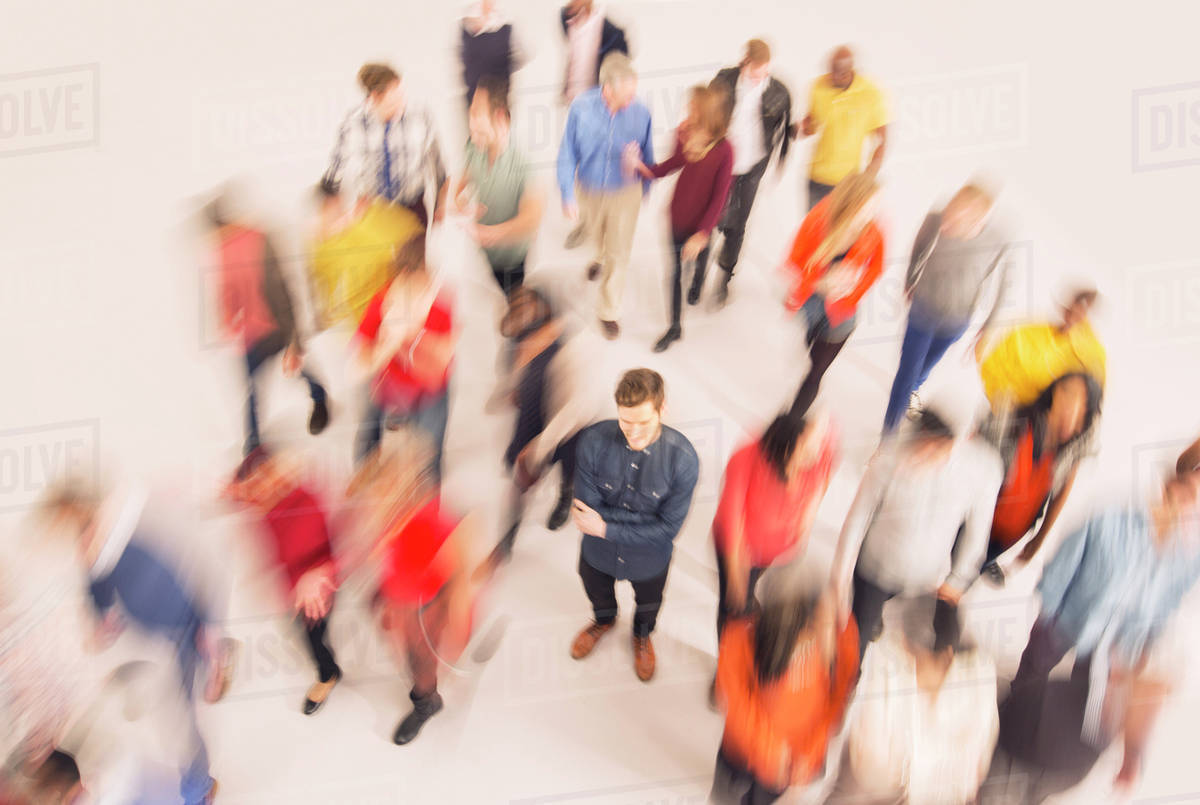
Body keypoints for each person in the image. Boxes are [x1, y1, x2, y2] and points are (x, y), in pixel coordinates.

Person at [39, 481, 233, 805]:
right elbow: (102, 609)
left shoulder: (125, 528)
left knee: (183, 716)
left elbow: (187, 566)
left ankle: (199, 786)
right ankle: (199, 781)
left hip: (186, 620)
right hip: (169, 632)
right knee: (180, 714)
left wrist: (208, 621)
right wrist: (100, 629)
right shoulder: (93, 559)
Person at [1004, 471, 1200, 787]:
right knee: (1028, 684)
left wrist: (1139, 650)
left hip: (1114, 648)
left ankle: (1039, 770)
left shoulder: (1188, 559)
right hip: (1066, 622)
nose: (1191, 505)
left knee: (1080, 711)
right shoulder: (1111, 518)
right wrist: (1048, 617)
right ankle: (1003, 737)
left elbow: (1167, 606)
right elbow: (1063, 566)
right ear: (1169, 488)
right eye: (1189, 493)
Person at [830, 397, 1004, 659]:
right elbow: (858, 518)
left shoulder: (980, 471)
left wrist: (957, 580)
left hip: (926, 577)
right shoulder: (890, 458)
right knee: (856, 642)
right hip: (876, 569)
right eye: (924, 440)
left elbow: (977, 531)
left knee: (917, 648)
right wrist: (838, 578)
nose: (927, 451)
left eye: (938, 446)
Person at [344, 434, 478, 746]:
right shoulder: (388, 519)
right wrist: (381, 594)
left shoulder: (432, 523)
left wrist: (456, 637)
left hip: (425, 612)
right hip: (401, 600)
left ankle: (426, 702)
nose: (375, 502)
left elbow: (459, 582)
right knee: (404, 653)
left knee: (419, 665)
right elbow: (391, 557)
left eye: (384, 490)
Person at [569, 369, 699, 681]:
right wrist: (645, 523)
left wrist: (605, 527)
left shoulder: (683, 460)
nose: (634, 433)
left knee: (649, 605)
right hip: (598, 554)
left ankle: (641, 636)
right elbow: (586, 507)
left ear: (662, 409)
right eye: (626, 422)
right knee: (597, 592)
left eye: (644, 422)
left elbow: (668, 530)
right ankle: (604, 621)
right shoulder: (593, 441)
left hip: (648, 560)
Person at [836, 595, 998, 805]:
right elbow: (868, 764)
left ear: (948, 655)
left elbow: (975, 764)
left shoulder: (977, 680)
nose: (915, 662)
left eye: (921, 658)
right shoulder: (885, 669)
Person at [882, 182, 1014, 432]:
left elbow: (1004, 286)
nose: (948, 222)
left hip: (956, 322)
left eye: (958, 217)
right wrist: (910, 278)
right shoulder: (935, 219)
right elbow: (918, 248)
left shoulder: (998, 240)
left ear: (978, 218)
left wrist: (988, 329)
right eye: (951, 211)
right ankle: (887, 437)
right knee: (906, 373)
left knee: (923, 370)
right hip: (922, 311)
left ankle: (913, 389)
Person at [205, 195, 331, 456]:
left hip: (274, 326)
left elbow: (277, 287)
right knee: (255, 388)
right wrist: (228, 320)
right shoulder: (227, 249)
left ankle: (317, 400)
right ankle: (254, 444)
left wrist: (292, 333)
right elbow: (228, 292)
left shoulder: (255, 240)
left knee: (288, 371)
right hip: (254, 333)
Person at [711, 584, 859, 805]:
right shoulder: (742, 639)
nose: (831, 633)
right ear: (798, 630)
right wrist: (774, 752)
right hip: (747, 761)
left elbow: (836, 702)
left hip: (793, 768)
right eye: (823, 626)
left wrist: (807, 756)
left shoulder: (840, 640)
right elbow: (736, 705)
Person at [225, 448, 343, 715]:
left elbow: (342, 547)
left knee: (313, 638)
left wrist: (320, 574)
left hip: (317, 592)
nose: (258, 492)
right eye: (253, 488)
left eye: (262, 482)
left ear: (275, 473)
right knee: (302, 629)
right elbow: (238, 494)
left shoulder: (306, 502)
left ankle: (328, 674)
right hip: (293, 588)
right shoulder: (264, 502)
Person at [486, 286, 601, 564]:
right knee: (520, 481)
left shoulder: (574, 354)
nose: (526, 347)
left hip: (567, 429)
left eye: (531, 340)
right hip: (534, 417)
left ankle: (565, 496)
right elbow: (510, 380)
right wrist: (511, 386)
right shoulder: (522, 344)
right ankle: (509, 534)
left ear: (552, 327)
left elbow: (572, 412)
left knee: (568, 469)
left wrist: (539, 447)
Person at [712, 410, 837, 643]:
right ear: (784, 450)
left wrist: (802, 528)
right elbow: (731, 515)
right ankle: (727, 655)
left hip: (774, 551)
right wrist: (735, 572)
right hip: (740, 550)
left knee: (751, 592)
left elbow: (822, 477)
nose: (812, 456)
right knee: (733, 607)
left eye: (814, 447)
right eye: (804, 451)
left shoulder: (816, 458)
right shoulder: (747, 458)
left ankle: (749, 602)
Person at [625, 85, 734, 351]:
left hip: (702, 224)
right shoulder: (684, 133)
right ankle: (675, 327)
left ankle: (697, 283)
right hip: (677, 216)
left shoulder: (725, 149)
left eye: (693, 107)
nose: (687, 110)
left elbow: (720, 196)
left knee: (699, 259)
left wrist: (702, 234)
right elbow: (669, 166)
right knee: (674, 273)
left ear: (706, 112)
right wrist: (641, 168)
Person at [556, 52, 653, 339]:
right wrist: (567, 194)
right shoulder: (581, 108)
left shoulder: (641, 113)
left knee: (619, 253)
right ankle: (598, 255)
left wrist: (645, 186)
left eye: (633, 93)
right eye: (626, 95)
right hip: (589, 191)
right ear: (607, 89)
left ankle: (609, 310)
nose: (631, 101)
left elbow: (648, 154)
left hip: (625, 193)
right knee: (597, 236)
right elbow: (567, 152)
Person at [978, 373, 1102, 585]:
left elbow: (1063, 488)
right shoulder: (1014, 419)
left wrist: (1039, 539)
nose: (1072, 409)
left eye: (1081, 406)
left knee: (975, 568)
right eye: (1068, 394)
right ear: (1055, 392)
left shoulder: (1072, 448)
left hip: (1012, 532)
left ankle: (983, 565)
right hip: (977, 518)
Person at [782, 172, 885, 419]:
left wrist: (853, 288)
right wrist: (820, 284)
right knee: (811, 345)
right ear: (849, 204)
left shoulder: (872, 231)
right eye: (867, 208)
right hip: (811, 303)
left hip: (843, 310)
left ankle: (792, 421)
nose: (872, 214)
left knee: (816, 371)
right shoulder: (818, 220)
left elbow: (877, 268)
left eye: (875, 207)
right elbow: (794, 261)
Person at [354, 237, 456, 481]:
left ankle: (428, 489)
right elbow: (363, 353)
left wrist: (412, 336)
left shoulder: (439, 305)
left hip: (429, 392)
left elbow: (442, 361)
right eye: (422, 275)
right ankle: (364, 473)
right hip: (390, 384)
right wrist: (384, 347)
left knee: (429, 449)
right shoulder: (384, 301)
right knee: (369, 432)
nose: (428, 282)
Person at [707, 39, 796, 307]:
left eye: (764, 71)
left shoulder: (779, 92)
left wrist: (780, 162)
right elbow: (707, 112)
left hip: (752, 167)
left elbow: (784, 131)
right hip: (721, 163)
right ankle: (699, 269)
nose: (759, 77)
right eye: (755, 71)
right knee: (711, 217)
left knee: (737, 226)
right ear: (744, 62)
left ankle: (725, 277)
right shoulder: (725, 80)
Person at [321, 63, 448, 229]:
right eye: (394, 99)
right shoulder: (353, 123)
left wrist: (441, 203)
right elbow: (336, 168)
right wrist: (330, 210)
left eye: (401, 94)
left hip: (413, 207)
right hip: (374, 210)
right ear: (374, 98)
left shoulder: (420, 116)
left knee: (414, 247)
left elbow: (437, 165)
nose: (401, 103)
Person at [453, 75, 543, 297]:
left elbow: (532, 218)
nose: (471, 123)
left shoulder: (526, 161)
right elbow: (462, 180)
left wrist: (491, 234)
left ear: (500, 117)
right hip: (485, 255)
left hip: (512, 259)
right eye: (471, 112)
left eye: (476, 114)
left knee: (513, 296)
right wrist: (460, 201)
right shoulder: (474, 146)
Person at [978, 287, 1106, 411]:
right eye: (1072, 309)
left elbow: (1090, 400)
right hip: (1005, 407)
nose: (1074, 316)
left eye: (1081, 313)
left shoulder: (1090, 353)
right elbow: (994, 361)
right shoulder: (1031, 333)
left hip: (1042, 414)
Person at [800, 46, 887, 211]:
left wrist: (867, 179)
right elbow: (812, 124)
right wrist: (803, 128)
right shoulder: (818, 86)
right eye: (830, 71)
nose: (831, 77)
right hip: (817, 178)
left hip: (847, 184)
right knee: (812, 227)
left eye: (838, 74)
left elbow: (882, 141)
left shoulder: (870, 93)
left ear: (849, 72)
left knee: (841, 229)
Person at [459, 1, 526, 107]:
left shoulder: (506, 22)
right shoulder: (466, 22)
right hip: (475, 91)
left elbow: (522, 54)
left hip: (498, 92)